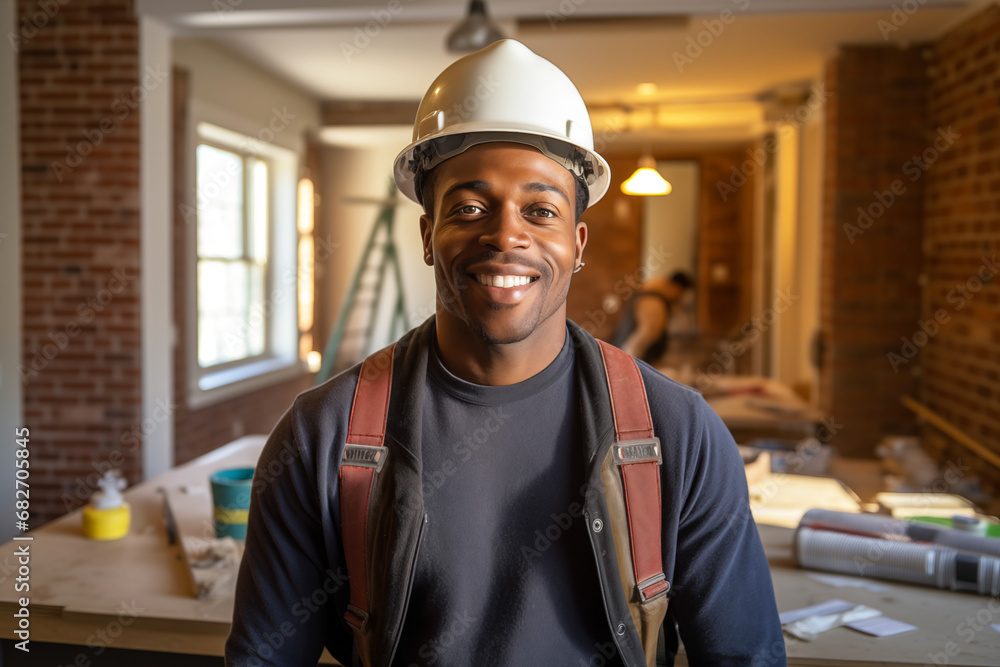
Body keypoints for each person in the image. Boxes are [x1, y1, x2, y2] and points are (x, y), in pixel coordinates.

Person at [225, 40, 784, 667]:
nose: (506, 234)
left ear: (576, 244)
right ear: (429, 235)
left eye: (539, 210)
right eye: (469, 207)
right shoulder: (321, 434)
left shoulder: (676, 431)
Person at [612, 271, 693, 365]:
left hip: (626, 356)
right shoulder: (654, 302)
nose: (680, 297)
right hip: (630, 360)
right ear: (677, 288)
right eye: (681, 293)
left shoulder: (649, 295)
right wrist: (628, 367)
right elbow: (643, 338)